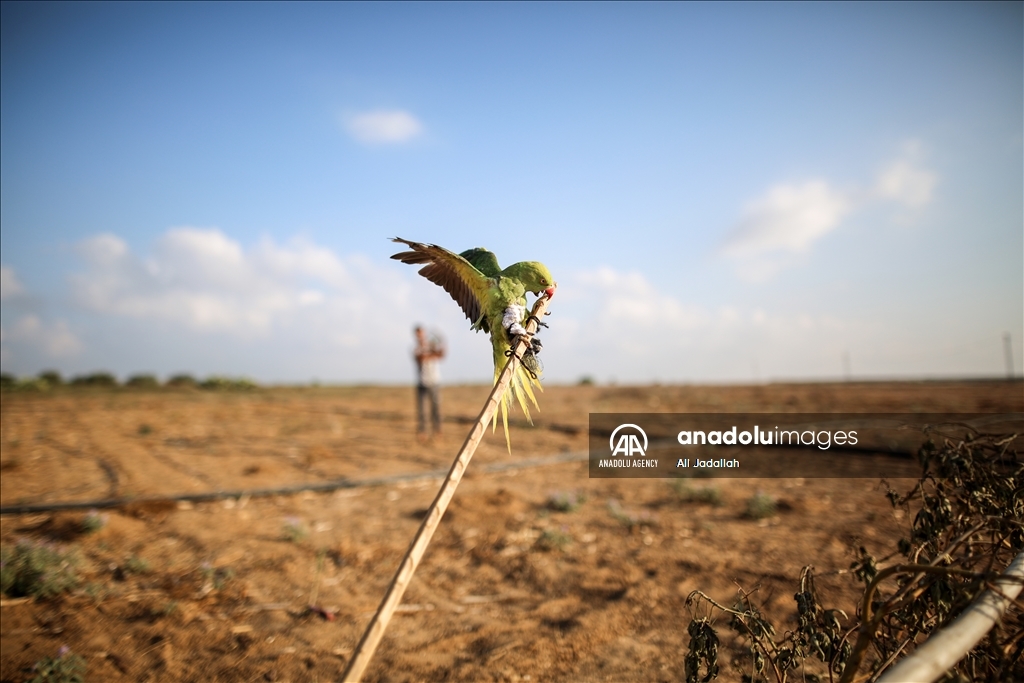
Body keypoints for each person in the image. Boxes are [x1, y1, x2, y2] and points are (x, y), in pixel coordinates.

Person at [413, 325, 445, 439]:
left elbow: (441, 354)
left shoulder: (431, 345)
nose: (420, 336)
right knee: (422, 410)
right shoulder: (416, 348)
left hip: (434, 381)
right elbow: (420, 358)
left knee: (435, 408)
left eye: (421, 334)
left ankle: (438, 430)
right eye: (418, 334)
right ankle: (423, 432)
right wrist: (432, 353)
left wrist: (441, 341)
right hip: (422, 382)